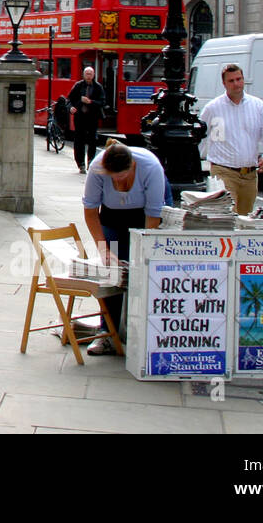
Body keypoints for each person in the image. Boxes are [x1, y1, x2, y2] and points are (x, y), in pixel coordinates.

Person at [81, 141, 165, 355]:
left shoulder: (150, 168)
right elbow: (90, 210)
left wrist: (144, 251)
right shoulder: (97, 168)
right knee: (112, 271)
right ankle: (107, 333)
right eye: (113, 177)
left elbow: (153, 215)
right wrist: (104, 250)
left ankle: (142, 332)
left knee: (143, 269)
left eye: (122, 177)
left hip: (144, 215)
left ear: (133, 166)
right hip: (112, 216)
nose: (118, 182)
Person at [198, 63, 263, 215]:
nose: (236, 84)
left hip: (249, 174)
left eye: (239, 79)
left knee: (245, 219)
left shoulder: (257, 105)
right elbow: (200, 136)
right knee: (226, 217)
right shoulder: (213, 108)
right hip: (223, 171)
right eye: (231, 81)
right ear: (224, 84)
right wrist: (199, 162)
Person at [68, 66, 106, 175]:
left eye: (90, 74)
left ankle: (91, 162)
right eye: (87, 73)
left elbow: (102, 102)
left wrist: (91, 102)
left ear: (93, 75)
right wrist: (71, 108)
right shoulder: (78, 86)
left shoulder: (98, 87)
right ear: (83, 75)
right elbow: (69, 100)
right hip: (80, 117)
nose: (88, 76)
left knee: (92, 140)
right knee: (79, 140)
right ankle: (81, 164)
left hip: (92, 117)